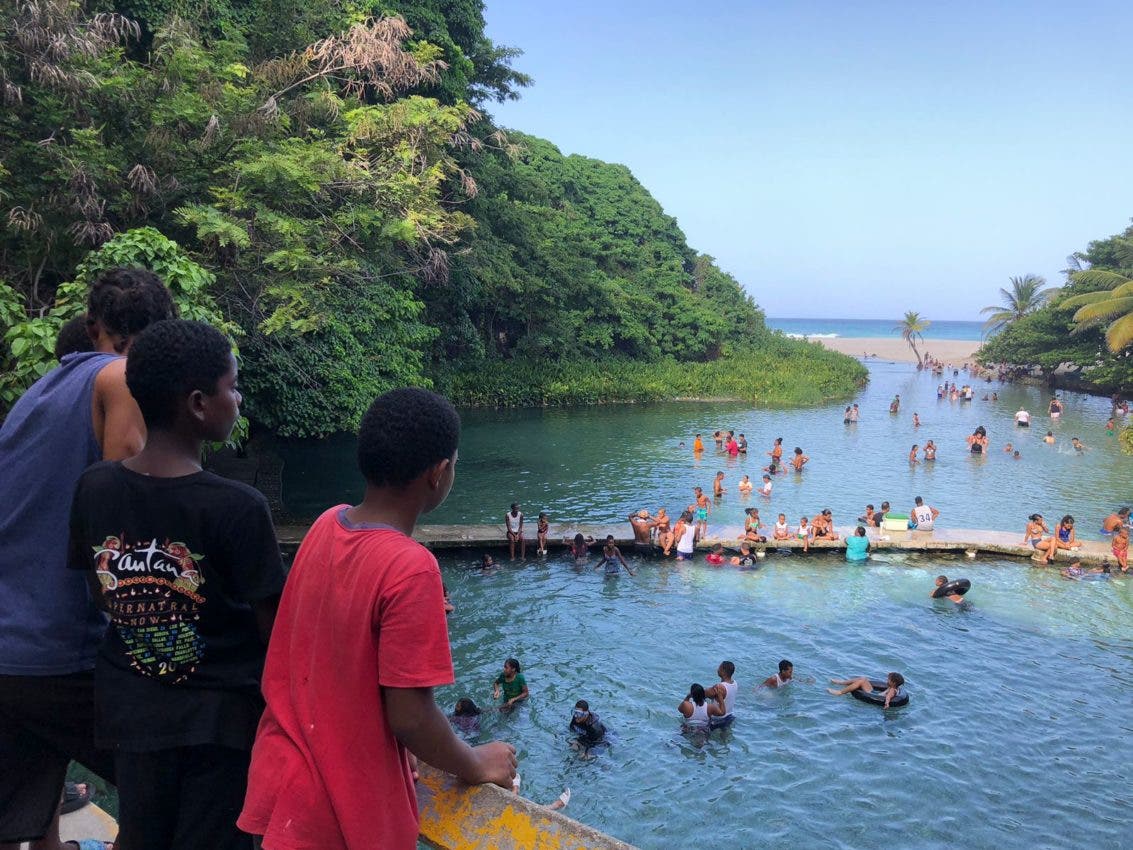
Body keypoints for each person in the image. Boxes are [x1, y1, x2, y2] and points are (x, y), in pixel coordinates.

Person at [238, 388, 518, 850]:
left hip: (280, 781)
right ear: (439, 473)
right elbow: (409, 715)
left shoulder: (326, 525)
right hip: (338, 810)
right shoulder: (410, 567)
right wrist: (474, 761)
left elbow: (326, 663)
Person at [66, 320, 285, 850]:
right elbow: (276, 630)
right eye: (231, 386)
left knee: (141, 837)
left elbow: (101, 591)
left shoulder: (95, 488)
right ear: (198, 403)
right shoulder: (237, 507)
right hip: (220, 724)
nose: (238, 398)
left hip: (132, 711)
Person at [0, 267, 177, 850]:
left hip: (10, 646)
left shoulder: (36, 394)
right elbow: (125, 510)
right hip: (59, 651)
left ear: (93, 323)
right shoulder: (123, 377)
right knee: (173, 783)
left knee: (20, 809)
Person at [828, 672, 905, 709]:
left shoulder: (892, 690)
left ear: (893, 683)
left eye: (888, 679)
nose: (887, 680)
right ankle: (841, 682)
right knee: (863, 679)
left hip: (874, 695)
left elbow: (888, 697)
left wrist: (887, 703)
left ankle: (840, 692)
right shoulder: (895, 688)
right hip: (876, 693)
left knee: (861, 681)